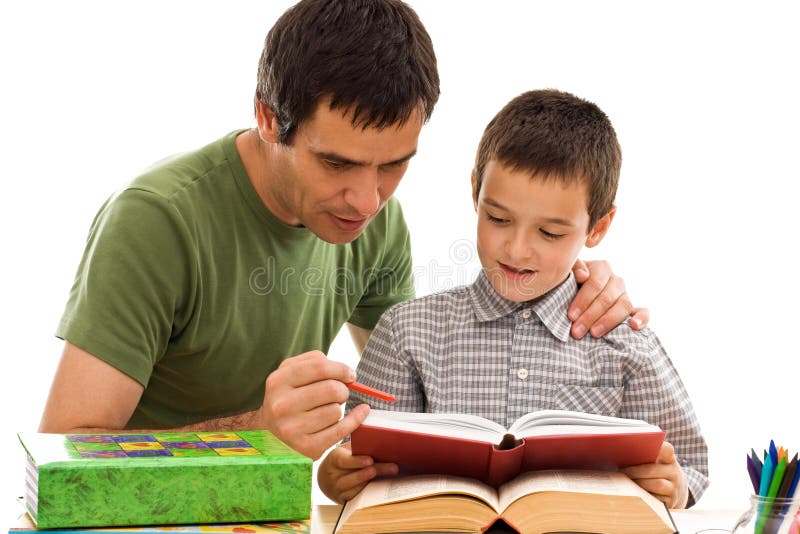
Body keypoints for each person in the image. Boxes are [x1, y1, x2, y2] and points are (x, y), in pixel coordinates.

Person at [39, 0, 647, 461]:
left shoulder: (378, 226)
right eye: (336, 164)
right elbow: (62, 453)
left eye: (394, 165)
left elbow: (422, 381)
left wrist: (569, 292)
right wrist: (253, 433)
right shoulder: (157, 220)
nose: (367, 200)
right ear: (268, 118)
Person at [318, 89, 709, 508]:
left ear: (597, 227)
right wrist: (336, 475)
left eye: (550, 233)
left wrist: (675, 486)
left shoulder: (626, 342)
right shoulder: (407, 332)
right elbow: (356, 459)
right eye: (498, 218)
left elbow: (690, 467)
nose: (517, 249)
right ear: (475, 192)